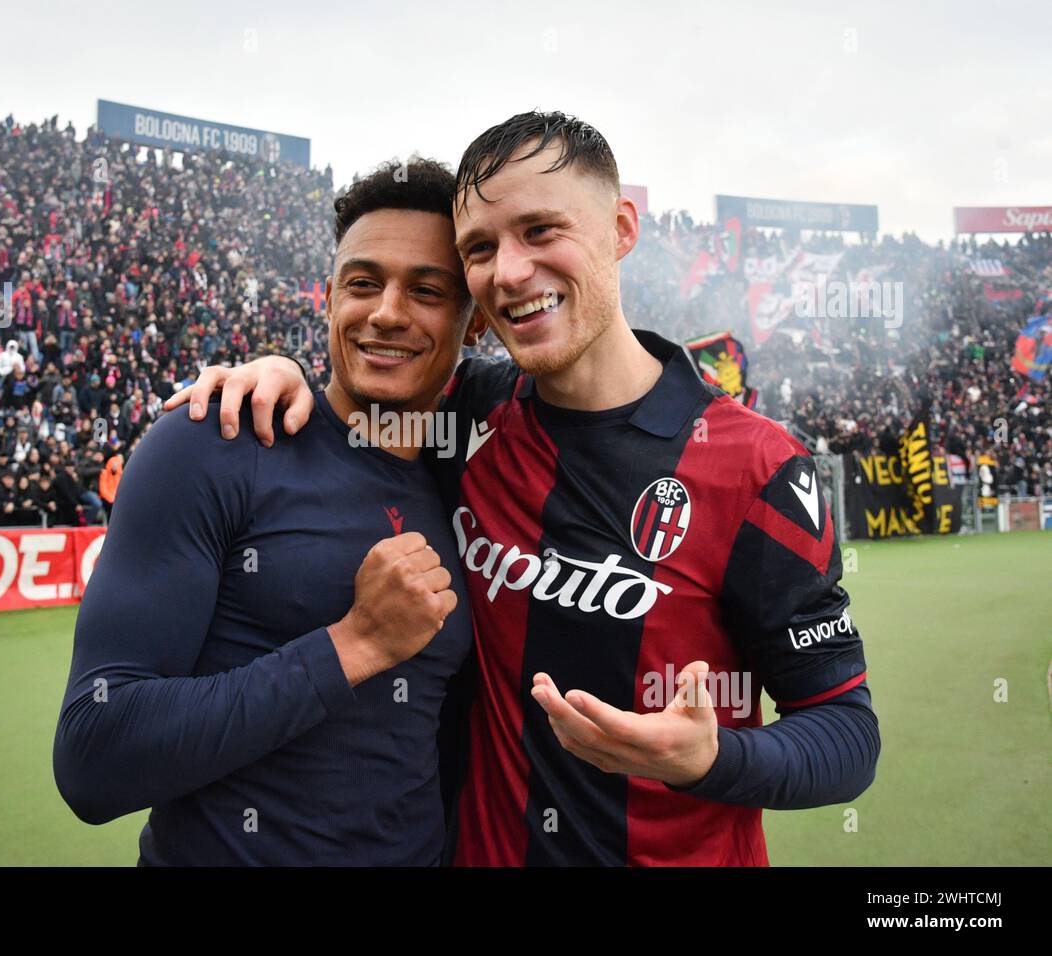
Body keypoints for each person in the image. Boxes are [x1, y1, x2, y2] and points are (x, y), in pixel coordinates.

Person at [168, 112, 880, 866]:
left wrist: (712, 761)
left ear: (621, 228)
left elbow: (845, 733)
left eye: (540, 231)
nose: (508, 271)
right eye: (481, 248)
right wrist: (284, 372)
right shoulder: (465, 412)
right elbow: (368, 379)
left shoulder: (757, 468)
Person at [53, 159, 483, 866]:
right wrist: (355, 644)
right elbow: (94, 757)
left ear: (474, 323)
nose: (385, 312)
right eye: (363, 283)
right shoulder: (212, 441)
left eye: (428, 291)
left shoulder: (471, 475)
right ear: (328, 297)